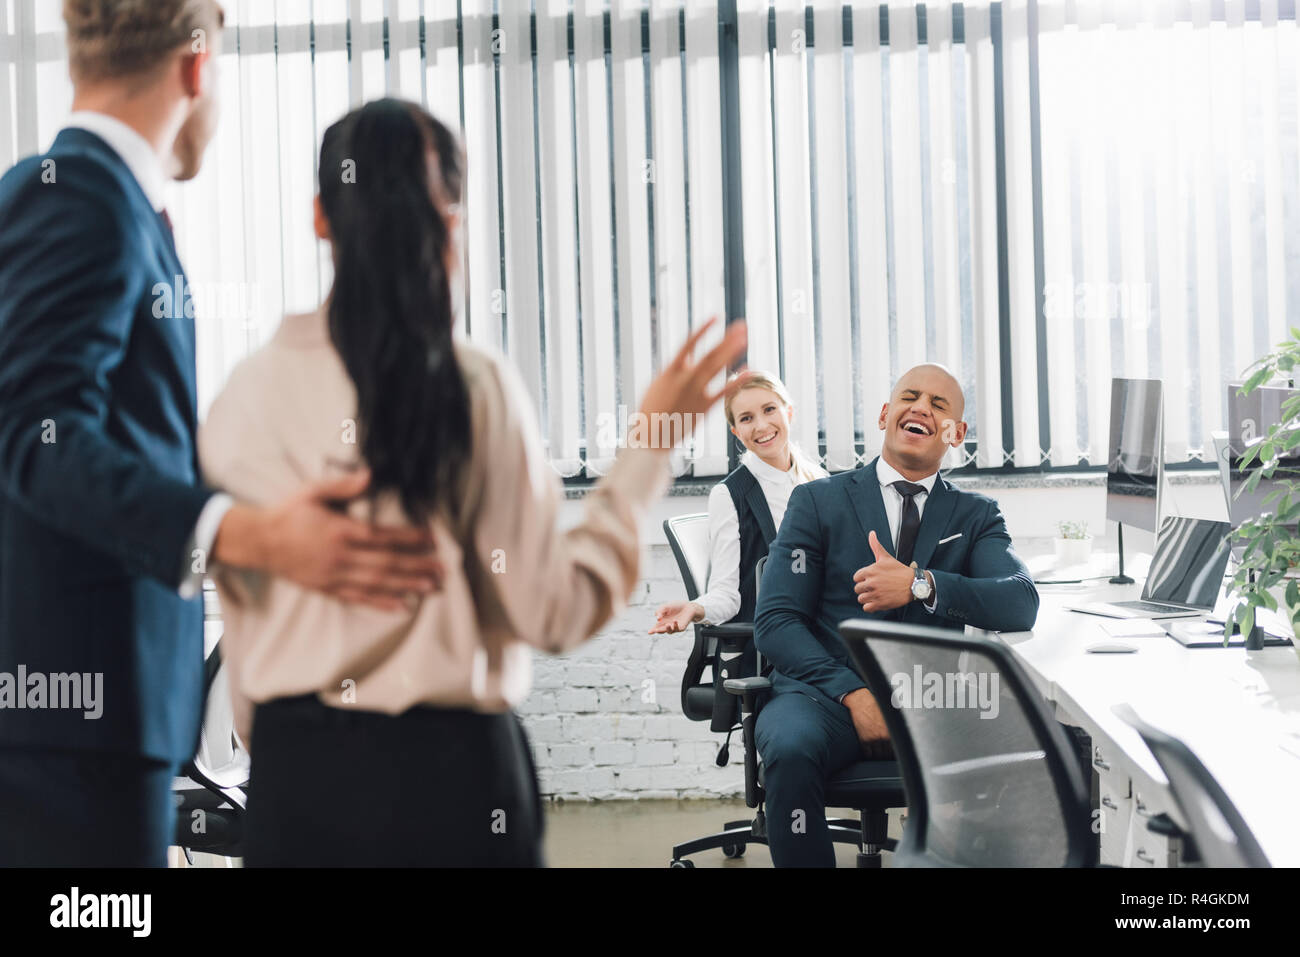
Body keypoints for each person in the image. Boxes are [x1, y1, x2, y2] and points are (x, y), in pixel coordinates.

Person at [197, 98, 748, 867]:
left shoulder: (244, 397)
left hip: (300, 788)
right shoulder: (476, 387)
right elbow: (553, 609)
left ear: (321, 217)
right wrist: (647, 447)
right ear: (450, 223)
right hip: (458, 785)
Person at [0, 1, 442, 868]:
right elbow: (33, 432)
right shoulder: (81, 201)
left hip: (91, 713)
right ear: (197, 67)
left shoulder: (75, 195)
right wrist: (242, 533)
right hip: (77, 727)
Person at [753, 363, 1040, 867]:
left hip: (930, 702)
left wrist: (920, 585)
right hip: (825, 697)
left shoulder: (976, 515)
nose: (921, 408)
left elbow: (1019, 601)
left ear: (955, 434)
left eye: (939, 405)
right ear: (886, 414)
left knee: (1040, 744)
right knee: (790, 748)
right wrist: (855, 695)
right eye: (910, 397)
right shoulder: (817, 501)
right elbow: (776, 623)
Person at [650, 371, 825, 636]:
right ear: (736, 432)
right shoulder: (729, 495)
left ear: (788, 412)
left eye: (769, 409)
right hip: (775, 638)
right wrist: (695, 608)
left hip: (827, 623)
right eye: (746, 418)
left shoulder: (818, 479)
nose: (761, 426)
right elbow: (726, 594)